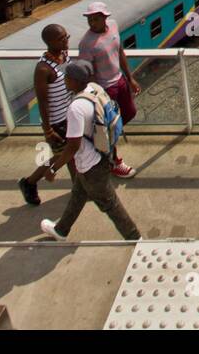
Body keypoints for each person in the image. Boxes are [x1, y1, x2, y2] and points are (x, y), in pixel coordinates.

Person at [39, 60, 142, 242]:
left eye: (67, 78)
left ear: (74, 81)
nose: (65, 81)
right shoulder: (95, 89)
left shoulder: (76, 108)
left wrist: (53, 169)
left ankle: (135, 238)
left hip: (90, 165)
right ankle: (61, 230)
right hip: (102, 154)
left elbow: (73, 146)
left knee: (111, 204)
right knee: (78, 195)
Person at [78, 1, 141, 179]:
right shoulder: (86, 43)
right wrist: (94, 96)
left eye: (96, 18)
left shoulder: (113, 26)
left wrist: (130, 78)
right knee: (110, 128)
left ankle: (105, 144)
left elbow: (120, 52)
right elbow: (87, 72)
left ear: (105, 17)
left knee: (130, 112)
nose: (92, 22)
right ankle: (113, 162)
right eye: (89, 19)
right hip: (104, 90)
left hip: (120, 81)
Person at [18, 24, 71, 206]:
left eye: (67, 36)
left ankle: (30, 182)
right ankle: (30, 182)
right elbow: (42, 102)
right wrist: (48, 130)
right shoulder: (43, 69)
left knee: (68, 154)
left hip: (68, 115)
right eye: (62, 38)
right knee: (63, 155)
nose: (66, 41)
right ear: (49, 42)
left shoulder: (64, 56)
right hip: (56, 122)